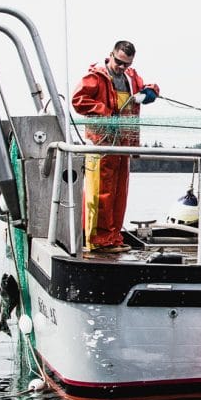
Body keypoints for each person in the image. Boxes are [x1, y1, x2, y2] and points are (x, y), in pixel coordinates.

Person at [71, 41, 159, 253]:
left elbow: (152, 88)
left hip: (124, 144)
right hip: (102, 144)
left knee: (119, 193)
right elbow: (77, 100)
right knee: (101, 192)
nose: (121, 67)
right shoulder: (96, 77)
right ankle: (98, 240)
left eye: (126, 64)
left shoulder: (131, 78)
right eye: (118, 62)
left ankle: (113, 236)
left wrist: (148, 94)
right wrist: (106, 111)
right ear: (110, 55)